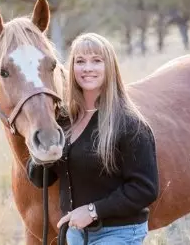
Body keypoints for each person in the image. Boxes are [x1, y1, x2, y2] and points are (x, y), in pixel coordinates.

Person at [27, 33, 159, 244]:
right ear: (72, 69)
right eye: (80, 61)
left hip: (119, 232)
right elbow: (41, 179)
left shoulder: (129, 124)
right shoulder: (64, 120)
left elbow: (145, 189)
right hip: (76, 233)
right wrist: (39, 152)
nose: (87, 68)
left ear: (110, 68)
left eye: (97, 61)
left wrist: (92, 211)